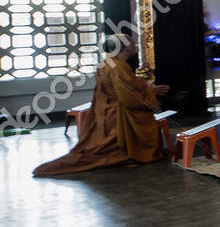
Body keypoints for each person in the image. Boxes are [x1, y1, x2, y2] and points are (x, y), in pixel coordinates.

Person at [34, 35, 168, 176]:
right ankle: (132, 152)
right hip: (119, 114)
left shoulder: (106, 63)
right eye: (133, 43)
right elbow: (128, 97)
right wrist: (150, 92)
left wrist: (141, 80)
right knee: (145, 127)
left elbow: (126, 86)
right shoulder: (118, 67)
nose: (135, 46)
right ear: (127, 47)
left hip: (106, 110)